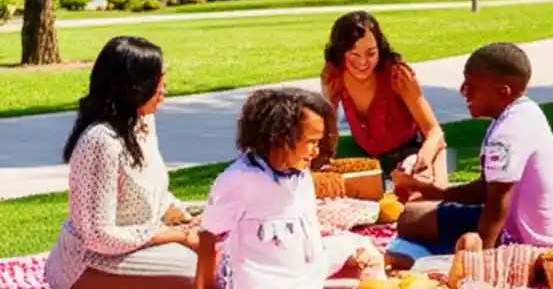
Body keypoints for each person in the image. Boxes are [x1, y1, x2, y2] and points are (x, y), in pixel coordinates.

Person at [388, 43, 553, 264]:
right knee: (411, 215)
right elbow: (486, 188)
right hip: (534, 228)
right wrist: (431, 190)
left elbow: (496, 203)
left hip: (522, 239)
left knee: (408, 227)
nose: (463, 91)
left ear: (503, 92)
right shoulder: (523, 112)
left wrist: (482, 262)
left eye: (471, 85)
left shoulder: (508, 133)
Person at [45, 37, 199, 289]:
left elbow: (152, 191)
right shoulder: (101, 142)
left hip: (136, 244)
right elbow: (98, 236)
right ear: (134, 87)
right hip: (90, 261)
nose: (164, 88)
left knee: (222, 253)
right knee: (200, 272)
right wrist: (177, 235)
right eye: (158, 81)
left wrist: (183, 216)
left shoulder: (143, 123)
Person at [195, 88, 384, 289]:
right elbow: (208, 237)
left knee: (363, 249)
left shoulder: (300, 173)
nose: (316, 151)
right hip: (265, 283)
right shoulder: (237, 181)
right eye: (311, 142)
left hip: (307, 272)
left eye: (318, 142)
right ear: (281, 138)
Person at [321, 12, 447, 184]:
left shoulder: (397, 75)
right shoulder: (335, 76)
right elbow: (327, 130)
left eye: (371, 53)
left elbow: (434, 131)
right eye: (354, 54)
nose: (363, 62)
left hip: (409, 154)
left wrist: (422, 160)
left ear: (380, 49)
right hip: (371, 161)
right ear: (340, 52)